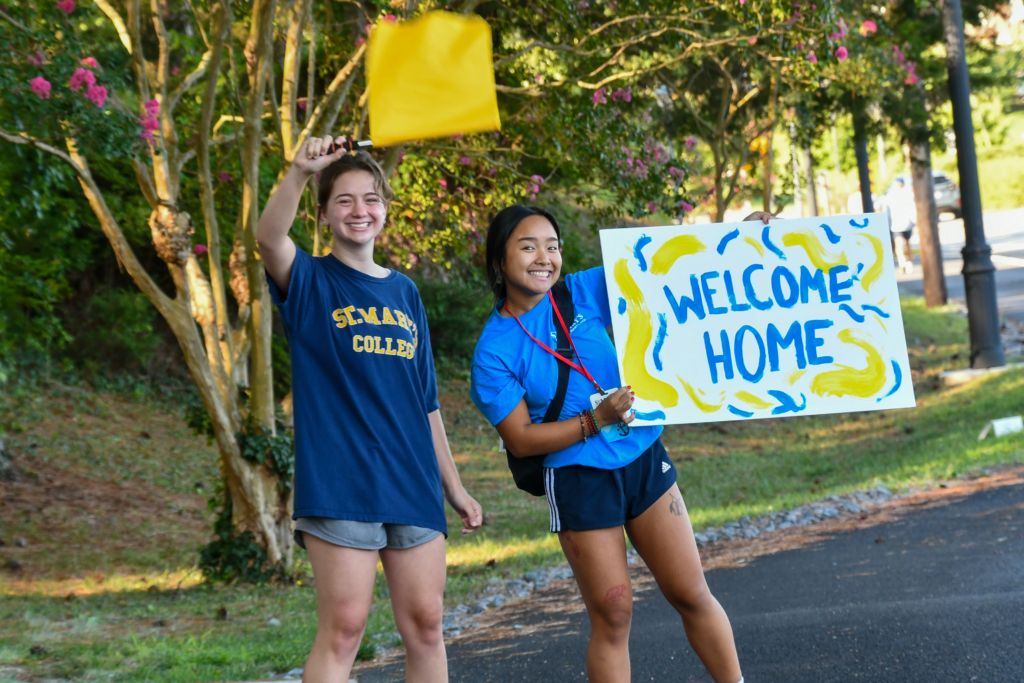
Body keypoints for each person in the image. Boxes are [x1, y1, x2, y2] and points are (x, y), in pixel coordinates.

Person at [470, 205, 769, 683]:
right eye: (527, 246)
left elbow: (666, 271)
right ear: (499, 262)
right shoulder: (493, 351)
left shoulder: (582, 291)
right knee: (614, 616)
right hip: (578, 478)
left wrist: (735, 238)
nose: (543, 257)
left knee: (692, 592)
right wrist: (594, 420)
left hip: (643, 457)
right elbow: (522, 441)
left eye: (552, 246)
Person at [256, 135, 482, 683]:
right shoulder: (310, 280)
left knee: (427, 626)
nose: (361, 210)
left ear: (385, 210)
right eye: (345, 200)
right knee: (346, 629)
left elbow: (425, 401)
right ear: (326, 215)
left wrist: (454, 487)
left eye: (371, 199)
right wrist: (299, 172)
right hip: (342, 480)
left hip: (412, 481)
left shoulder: (406, 294)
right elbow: (267, 238)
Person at [885, 177, 916, 274]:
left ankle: (904, 262)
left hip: (898, 223)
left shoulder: (891, 195)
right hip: (902, 223)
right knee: (905, 243)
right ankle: (906, 263)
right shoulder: (907, 194)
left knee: (900, 244)